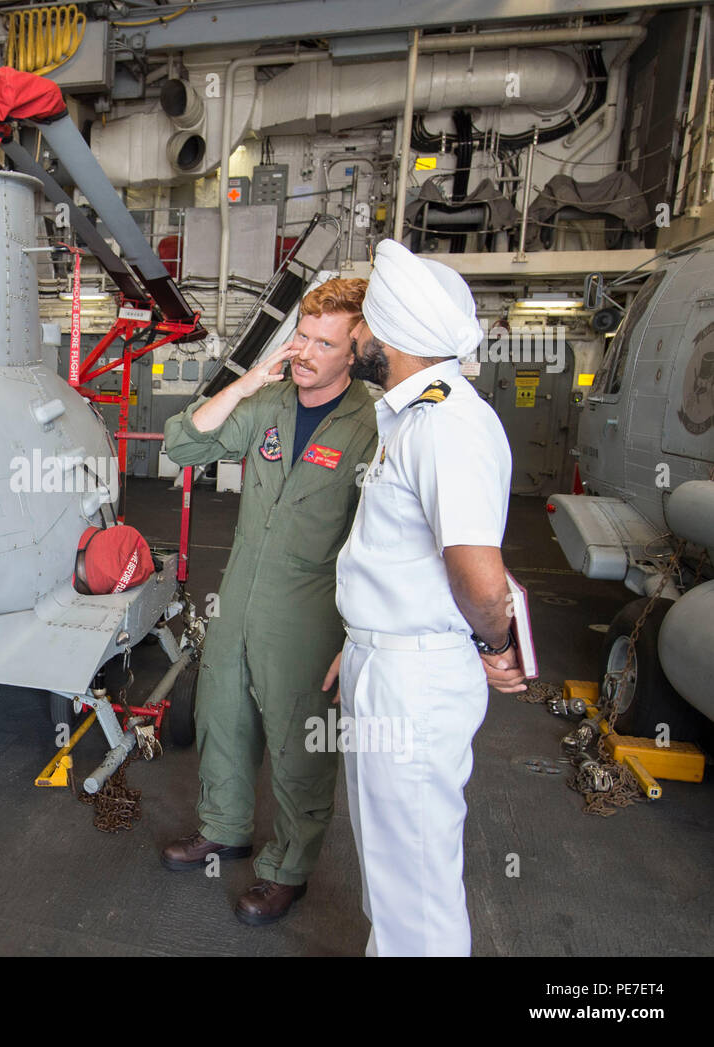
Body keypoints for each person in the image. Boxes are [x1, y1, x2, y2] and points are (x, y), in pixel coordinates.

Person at [321, 238, 526, 957]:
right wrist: (363, 646)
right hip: (388, 663)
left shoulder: (447, 423)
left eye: (364, 326)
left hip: (417, 680)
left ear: (392, 335)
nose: (356, 337)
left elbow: (478, 576)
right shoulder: (409, 416)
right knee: (391, 870)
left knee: (417, 878)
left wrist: (498, 645)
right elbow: (401, 558)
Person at [160, 278, 379, 925]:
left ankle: (287, 868)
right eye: (301, 336)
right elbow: (183, 442)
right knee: (220, 717)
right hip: (237, 602)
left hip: (310, 615)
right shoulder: (269, 404)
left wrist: (356, 636)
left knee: (300, 744)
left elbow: (380, 542)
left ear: (355, 349)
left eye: (325, 341)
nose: (306, 351)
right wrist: (247, 383)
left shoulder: (370, 425)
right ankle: (224, 827)